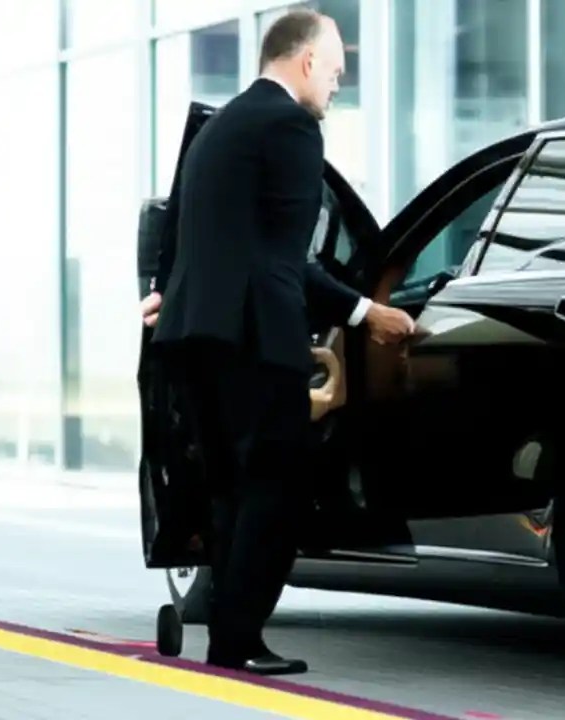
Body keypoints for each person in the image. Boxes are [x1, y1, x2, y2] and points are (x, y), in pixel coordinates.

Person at [141, 9, 415, 675]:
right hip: (256, 341)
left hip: (192, 337)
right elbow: (286, 261)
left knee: (232, 489)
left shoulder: (216, 129)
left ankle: (229, 641)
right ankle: (241, 641)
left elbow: (182, 229)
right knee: (279, 488)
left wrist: (161, 287)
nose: (337, 86)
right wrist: (363, 313)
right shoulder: (292, 127)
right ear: (306, 62)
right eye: (337, 72)